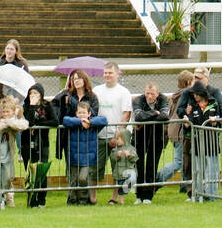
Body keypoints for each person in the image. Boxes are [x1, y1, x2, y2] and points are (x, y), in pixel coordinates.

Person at [93, 61, 133, 202]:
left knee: (118, 169)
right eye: (105, 73)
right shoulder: (96, 90)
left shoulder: (124, 92)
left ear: (117, 74)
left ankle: (117, 198)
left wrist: (118, 136)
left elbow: (126, 114)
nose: (107, 75)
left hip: (118, 137)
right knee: (95, 168)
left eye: (110, 73)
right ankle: (92, 198)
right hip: (99, 136)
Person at [61, 101, 107, 205]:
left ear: (89, 113)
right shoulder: (73, 123)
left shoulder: (93, 125)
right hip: (74, 157)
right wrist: (80, 122)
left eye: (84, 113)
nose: (82, 115)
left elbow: (104, 120)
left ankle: (83, 199)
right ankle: (72, 200)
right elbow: (65, 120)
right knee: (73, 180)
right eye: (79, 113)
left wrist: (90, 123)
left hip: (88, 158)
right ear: (76, 114)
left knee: (83, 178)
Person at [0, 95, 28, 210]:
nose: (5, 114)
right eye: (3, 111)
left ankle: (4, 197)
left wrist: (10, 122)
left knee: (7, 178)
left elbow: (24, 125)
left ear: (13, 112)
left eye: (8, 112)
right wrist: (6, 122)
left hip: (7, 155)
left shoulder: (14, 122)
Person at [131, 83, 168, 204]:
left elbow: (165, 116)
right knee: (139, 166)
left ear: (157, 94)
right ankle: (139, 195)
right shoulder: (138, 100)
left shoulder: (163, 99)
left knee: (152, 165)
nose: (149, 96)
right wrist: (154, 113)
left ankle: (148, 196)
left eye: (152, 94)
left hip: (156, 137)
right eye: (147, 93)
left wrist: (146, 118)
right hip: (139, 138)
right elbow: (138, 117)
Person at [21, 83, 56, 208]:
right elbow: (28, 122)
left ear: (41, 94)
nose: (33, 95)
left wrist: (39, 124)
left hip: (42, 143)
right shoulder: (25, 106)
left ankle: (42, 199)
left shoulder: (47, 106)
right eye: (31, 93)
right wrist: (31, 106)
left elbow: (55, 121)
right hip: (27, 143)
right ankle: (32, 199)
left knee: (41, 171)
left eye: (35, 93)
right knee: (30, 171)